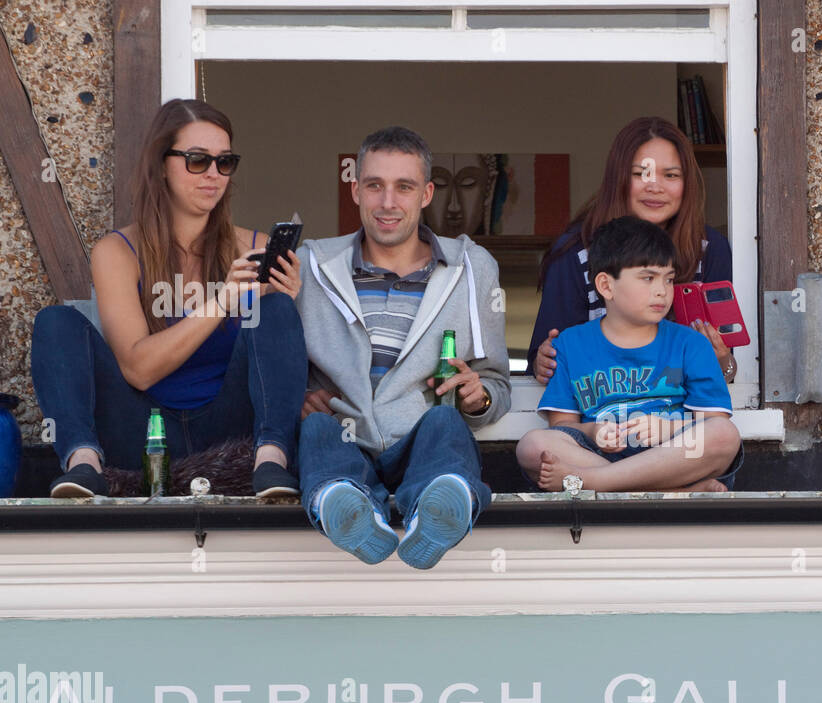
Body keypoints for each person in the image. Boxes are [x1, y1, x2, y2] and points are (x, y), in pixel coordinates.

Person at [30, 98, 307, 498]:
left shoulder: (254, 247)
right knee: (56, 322)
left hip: (229, 427)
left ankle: (270, 462)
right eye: (197, 160)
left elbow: (271, 367)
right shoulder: (118, 251)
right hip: (143, 430)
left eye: (224, 162)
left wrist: (283, 307)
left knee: (276, 309)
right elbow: (138, 369)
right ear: (162, 164)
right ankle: (84, 465)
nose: (213, 174)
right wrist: (221, 302)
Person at [296, 126, 509, 569]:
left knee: (445, 424)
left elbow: (497, 382)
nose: (388, 202)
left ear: (427, 193)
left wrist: (479, 394)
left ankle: (439, 509)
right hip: (344, 437)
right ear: (355, 190)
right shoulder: (310, 267)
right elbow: (267, 360)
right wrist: (294, 396)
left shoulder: (473, 268)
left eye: (404, 187)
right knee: (317, 432)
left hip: (422, 442)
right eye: (375, 186)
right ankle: (347, 508)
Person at [516, 216, 741, 493]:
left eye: (668, 279)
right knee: (533, 446)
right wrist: (594, 433)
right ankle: (668, 493)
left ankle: (598, 484)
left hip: (671, 455)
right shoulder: (570, 344)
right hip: (598, 454)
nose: (662, 291)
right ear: (606, 286)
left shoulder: (690, 343)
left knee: (724, 436)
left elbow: (714, 420)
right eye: (648, 278)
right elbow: (562, 424)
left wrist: (667, 429)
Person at [527, 116, 736, 386]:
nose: (655, 186)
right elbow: (545, 362)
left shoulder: (709, 249)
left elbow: (727, 369)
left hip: (684, 415)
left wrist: (722, 363)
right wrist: (543, 362)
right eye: (640, 174)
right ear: (618, 180)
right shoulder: (575, 252)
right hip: (599, 415)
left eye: (671, 175)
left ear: (687, 184)